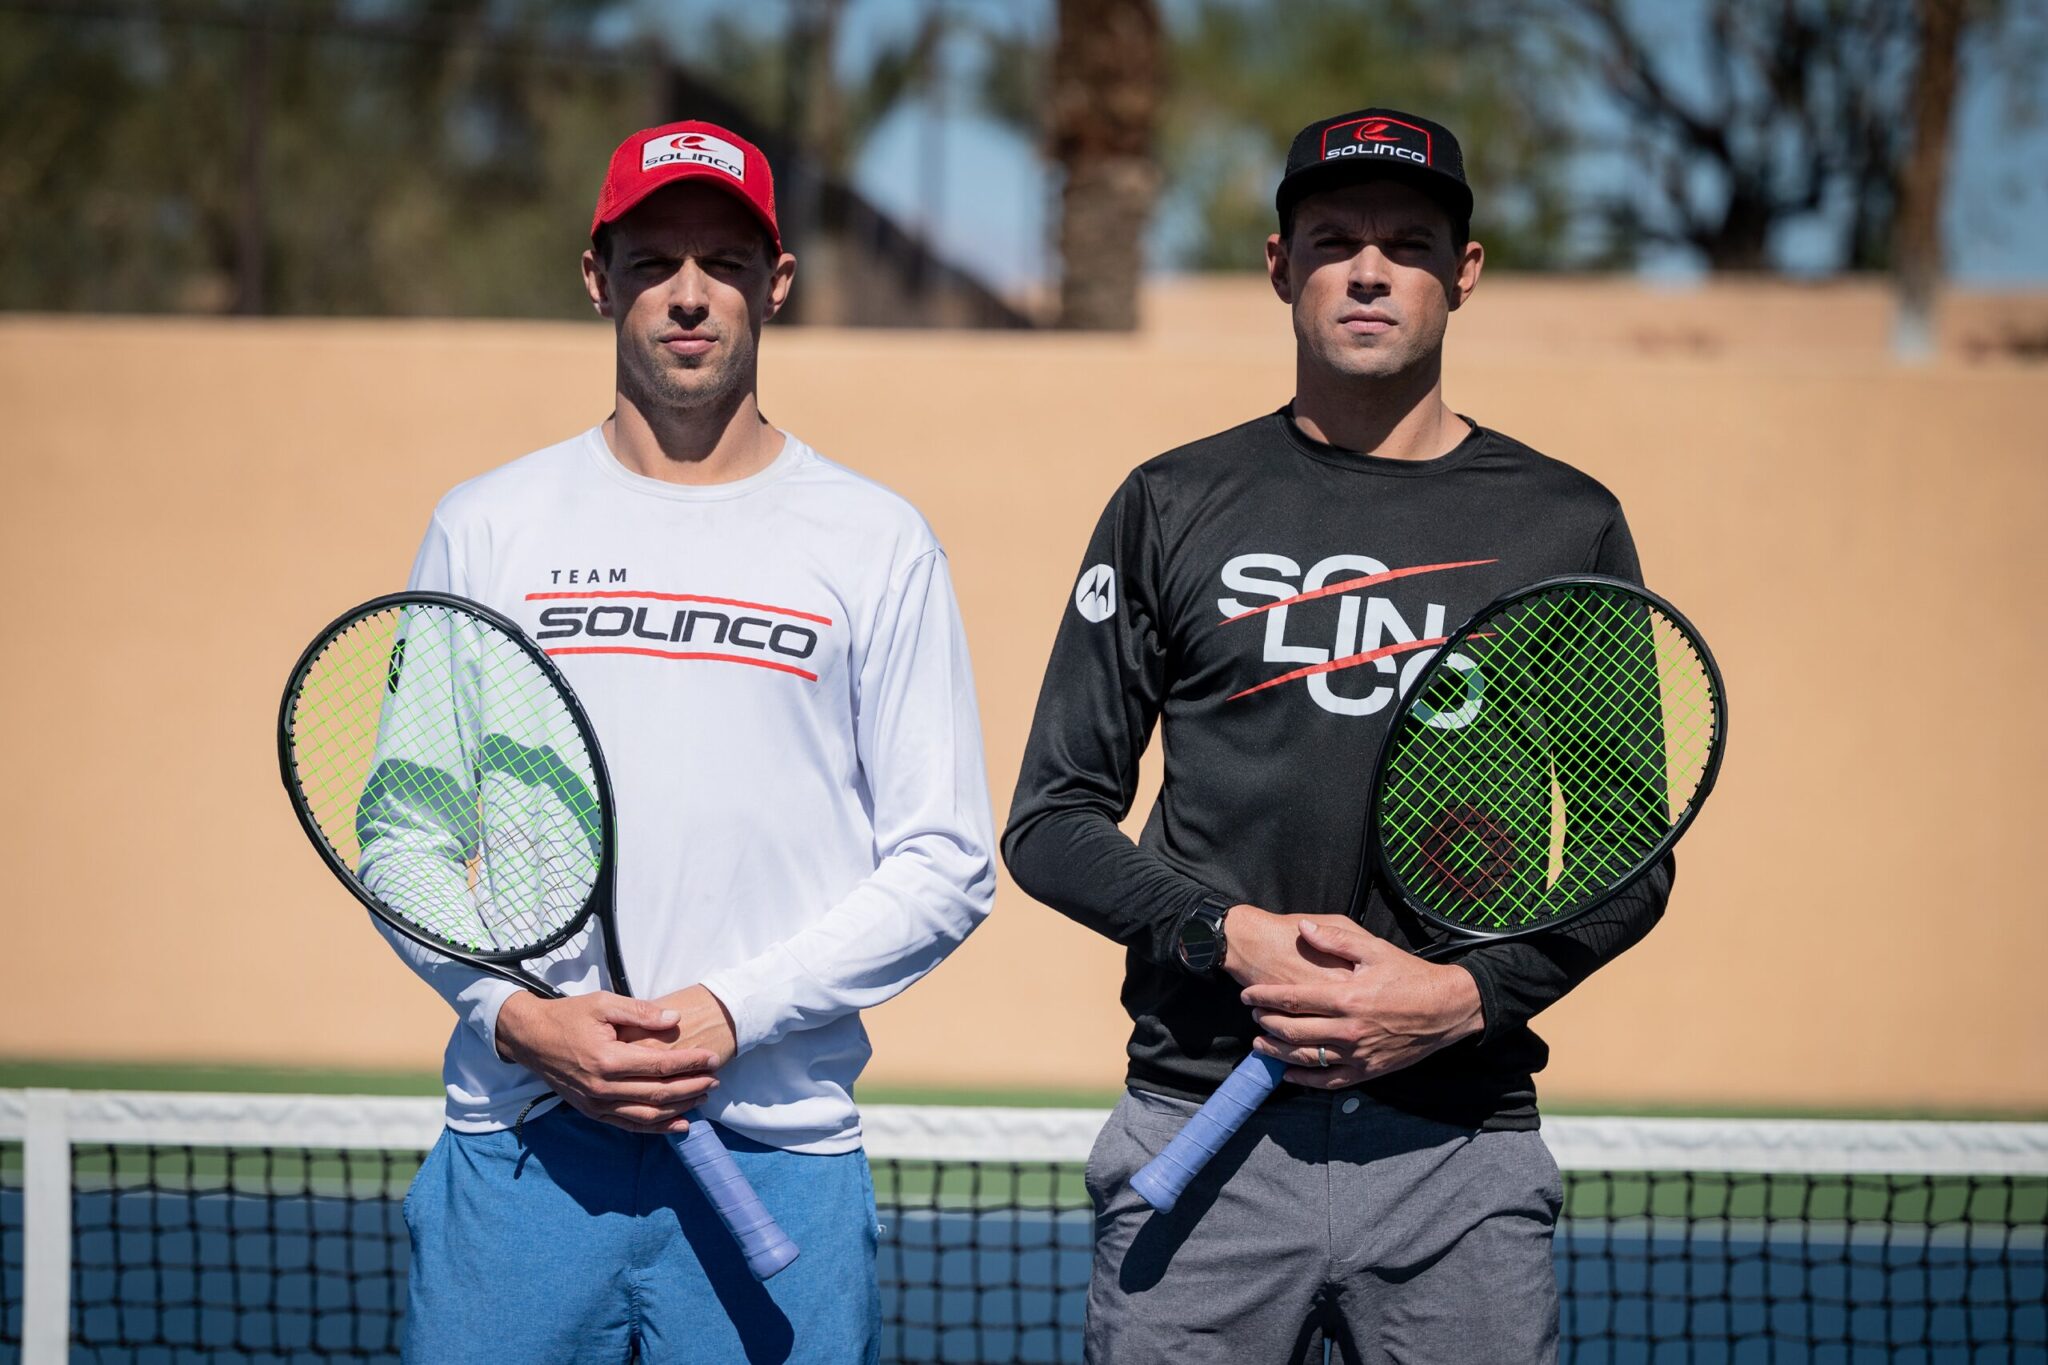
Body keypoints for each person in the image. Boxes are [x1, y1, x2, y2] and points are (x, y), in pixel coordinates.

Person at [1003, 107, 1672, 1363]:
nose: (1368, 270)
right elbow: (1050, 823)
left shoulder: (1562, 524)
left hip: (1455, 1159)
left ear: (1459, 276)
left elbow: (1630, 851)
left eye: (1406, 243)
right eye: (1333, 241)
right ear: (1278, 266)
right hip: (1197, 1132)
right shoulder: (1169, 503)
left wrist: (1460, 995)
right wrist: (1225, 937)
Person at [386, 119, 996, 1363]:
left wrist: (731, 1011)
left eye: (722, 262)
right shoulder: (486, 526)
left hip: (776, 1156)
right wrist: (518, 1018)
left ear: (774, 284)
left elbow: (944, 860)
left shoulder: (875, 539)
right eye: (653, 260)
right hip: (517, 1150)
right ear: (596, 276)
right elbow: (403, 833)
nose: (687, 295)